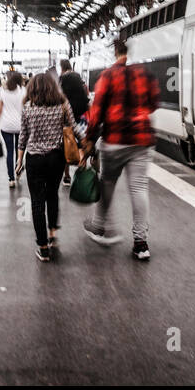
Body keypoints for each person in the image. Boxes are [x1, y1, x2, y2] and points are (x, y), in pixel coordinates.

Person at [84, 37, 159, 260]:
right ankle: (141, 242)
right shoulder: (145, 73)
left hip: (114, 140)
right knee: (138, 189)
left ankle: (99, 226)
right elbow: (154, 103)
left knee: (107, 184)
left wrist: (89, 138)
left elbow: (96, 112)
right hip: (141, 139)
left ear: (115, 51)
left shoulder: (107, 75)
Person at [16, 71, 75, 262]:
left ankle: (43, 248)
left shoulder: (27, 107)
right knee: (52, 195)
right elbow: (73, 127)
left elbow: (23, 136)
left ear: (32, 88)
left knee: (37, 202)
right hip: (56, 159)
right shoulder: (62, 105)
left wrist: (18, 161)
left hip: (34, 159)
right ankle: (53, 235)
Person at [57, 59, 90, 186]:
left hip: (67, 116)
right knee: (81, 145)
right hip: (81, 115)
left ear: (62, 67)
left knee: (67, 143)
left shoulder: (61, 79)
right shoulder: (78, 77)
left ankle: (67, 176)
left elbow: (59, 97)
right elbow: (85, 96)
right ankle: (82, 173)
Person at [0, 70, 27, 188]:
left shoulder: (2, 91)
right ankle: (18, 169)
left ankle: (11, 179)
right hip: (20, 126)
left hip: (6, 125)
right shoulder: (23, 91)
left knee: (9, 152)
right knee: (19, 151)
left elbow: (0, 109)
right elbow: (25, 108)